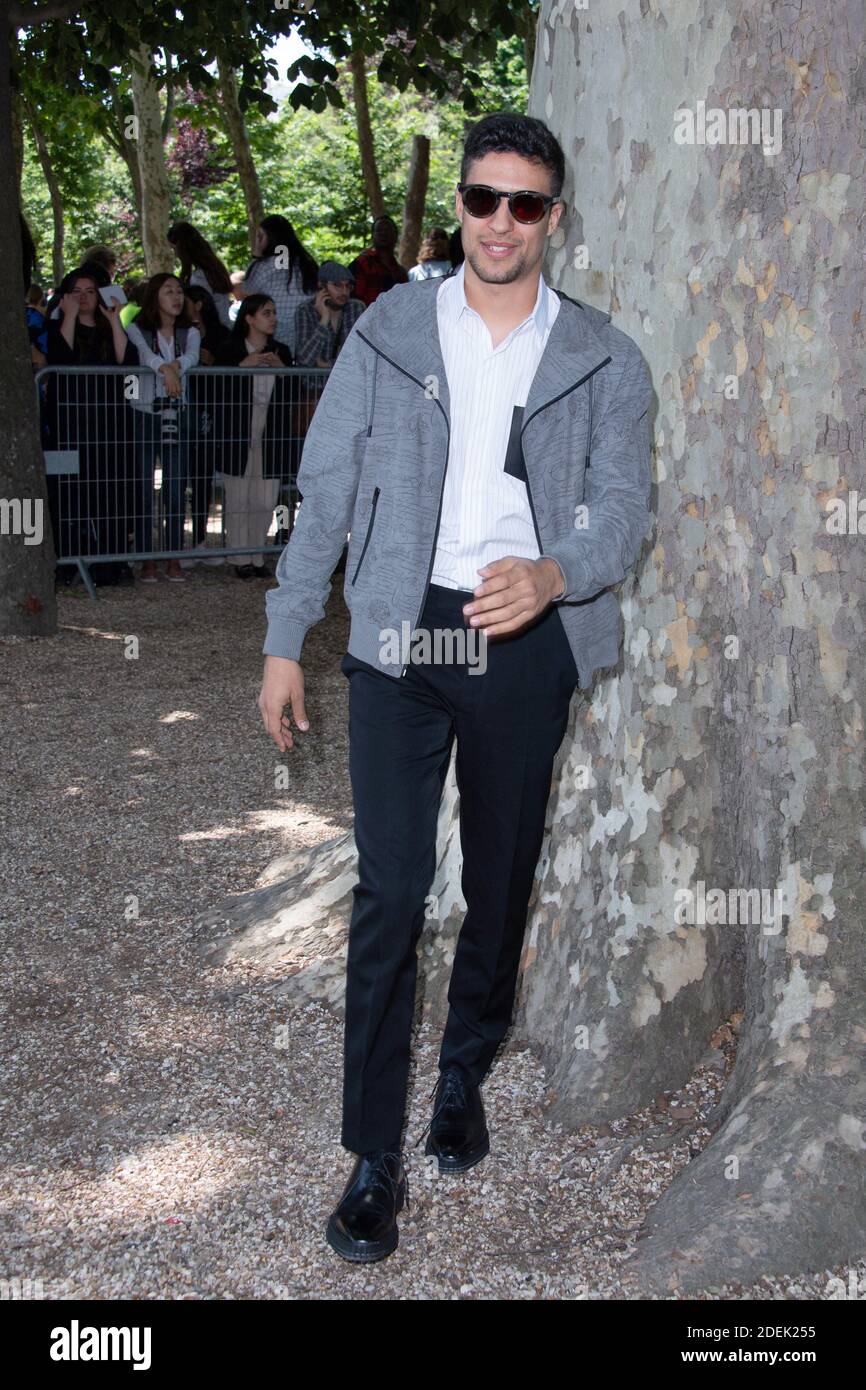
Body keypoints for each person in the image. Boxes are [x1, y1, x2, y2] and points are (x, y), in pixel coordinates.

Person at [258, 112, 653, 1263]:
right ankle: (372, 1154)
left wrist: (553, 572)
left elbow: (622, 514)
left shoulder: (602, 357)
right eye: (481, 199)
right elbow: (323, 487)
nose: (498, 222)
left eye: (523, 204)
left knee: (498, 881)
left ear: (553, 219)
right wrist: (286, 634)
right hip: (400, 633)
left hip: (522, 636)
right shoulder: (387, 331)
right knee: (388, 890)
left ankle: (462, 1076)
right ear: (462, 209)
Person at [45, 267, 138, 587]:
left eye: (89, 290)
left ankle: (111, 562)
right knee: (70, 494)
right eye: (76, 291)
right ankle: (69, 561)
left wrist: (114, 320)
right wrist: (68, 316)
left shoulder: (110, 328)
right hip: (70, 425)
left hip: (109, 424)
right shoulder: (57, 326)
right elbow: (60, 359)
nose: (83, 296)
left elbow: (128, 363)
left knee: (110, 492)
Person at [126, 274, 201, 583]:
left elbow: (193, 356)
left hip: (178, 413)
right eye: (168, 291)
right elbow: (144, 353)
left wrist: (174, 369)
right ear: (154, 297)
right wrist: (165, 370)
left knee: (174, 488)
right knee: (144, 487)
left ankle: (174, 557)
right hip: (145, 412)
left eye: (179, 291)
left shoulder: (190, 332)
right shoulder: (136, 328)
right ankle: (146, 558)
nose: (176, 296)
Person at [213, 294, 293, 579]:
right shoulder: (229, 350)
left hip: (270, 435)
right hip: (237, 433)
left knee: (265, 498)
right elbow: (213, 393)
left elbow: (293, 396)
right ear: (249, 318)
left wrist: (283, 372)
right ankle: (239, 557)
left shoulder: (281, 351)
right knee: (238, 497)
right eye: (266, 313)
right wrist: (239, 369)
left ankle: (258, 556)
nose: (272, 318)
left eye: (273, 312)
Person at [242, 215, 318, 356]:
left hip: (275, 340)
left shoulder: (263, 267)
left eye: (260, 236)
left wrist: (256, 254)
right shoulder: (308, 265)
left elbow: (246, 293)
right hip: (307, 337)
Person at [292, 261, 365, 369]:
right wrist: (324, 320)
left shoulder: (356, 308)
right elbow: (305, 360)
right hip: (315, 384)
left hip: (347, 383)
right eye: (337, 285)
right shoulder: (305, 311)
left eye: (348, 286)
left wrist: (327, 365)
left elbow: (362, 355)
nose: (344, 292)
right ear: (322, 286)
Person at [168, 221, 233, 330]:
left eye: (174, 249)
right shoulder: (215, 270)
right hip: (225, 329)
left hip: (212, 333)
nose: (175, 254)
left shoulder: (199, 277)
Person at [348, 215, 409, 305]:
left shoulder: (400, 272)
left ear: (395, 236)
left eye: (387, 230)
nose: (383, 234)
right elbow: (353, 299)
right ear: (373, 236)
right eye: (379, 230)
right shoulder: (362, 263)